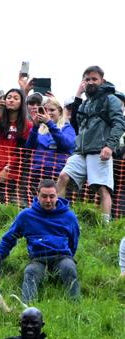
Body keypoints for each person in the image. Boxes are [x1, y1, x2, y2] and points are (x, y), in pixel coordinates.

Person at [57, 65, 125, 223]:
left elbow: (119, 123)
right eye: (87, 79)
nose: (90, 82)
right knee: (63, 177)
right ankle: (58, 218)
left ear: (102, 80)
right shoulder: (85, 103)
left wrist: (109, 146)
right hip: (81, 151)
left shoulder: (111, 99)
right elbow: (75, 125)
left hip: (100, 150)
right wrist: (78, 95)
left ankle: (104, 227)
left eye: (94, 79)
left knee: (102, 189)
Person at [0, 179, 81, 302]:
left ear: (57, 196)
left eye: (52, 196)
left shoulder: (69, 216)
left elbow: (74, 241)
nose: (48, 200)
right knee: (30, 272)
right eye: (44, 196)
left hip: (62, 257)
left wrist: (69, 255)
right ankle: (27, 308)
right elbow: (10, 237)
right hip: (38, 258)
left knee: (69, 268)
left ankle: (75, 305)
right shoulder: (27, 215)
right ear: (37, 195)